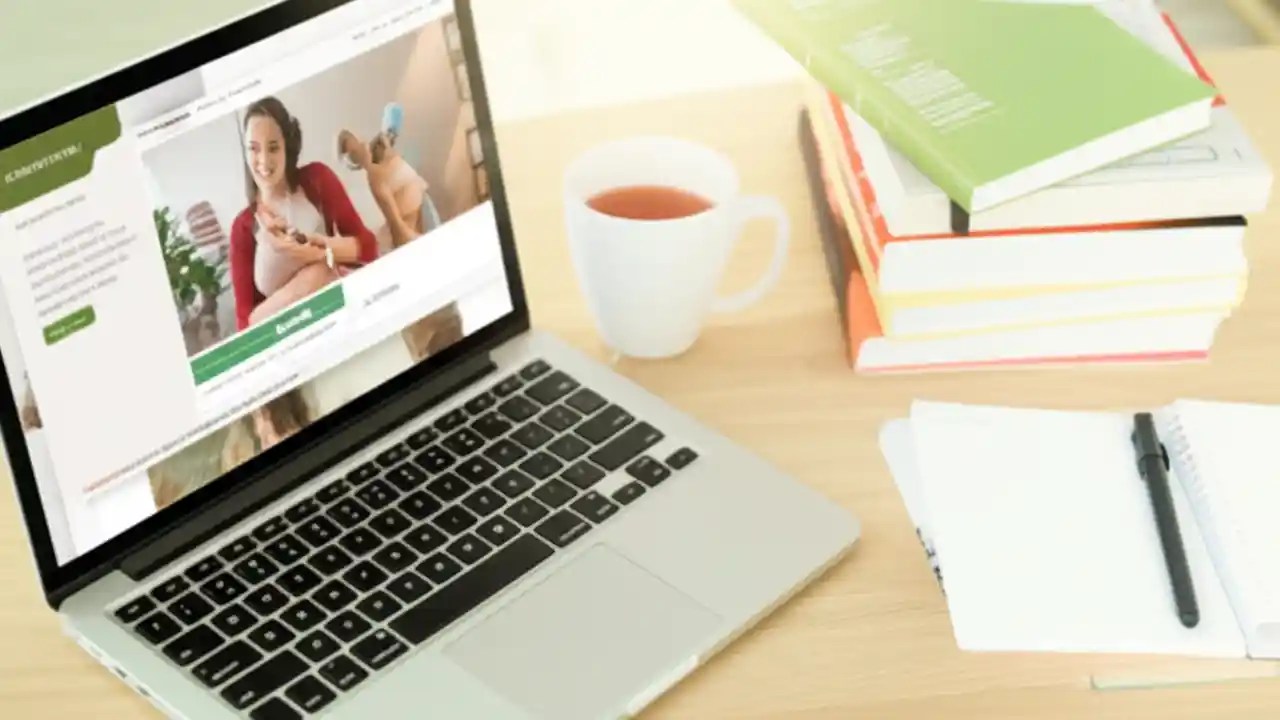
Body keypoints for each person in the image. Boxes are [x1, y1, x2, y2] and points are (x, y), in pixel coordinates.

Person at [229, 97, 378, 330]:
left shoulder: (317, 179)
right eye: (253, 148)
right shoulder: (243, 228)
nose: (264, 161)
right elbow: (246, 325)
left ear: (287, 146)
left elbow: (368, 248)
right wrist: (312, 277)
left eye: (273, 147)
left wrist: (322, 251)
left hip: (342, 314)